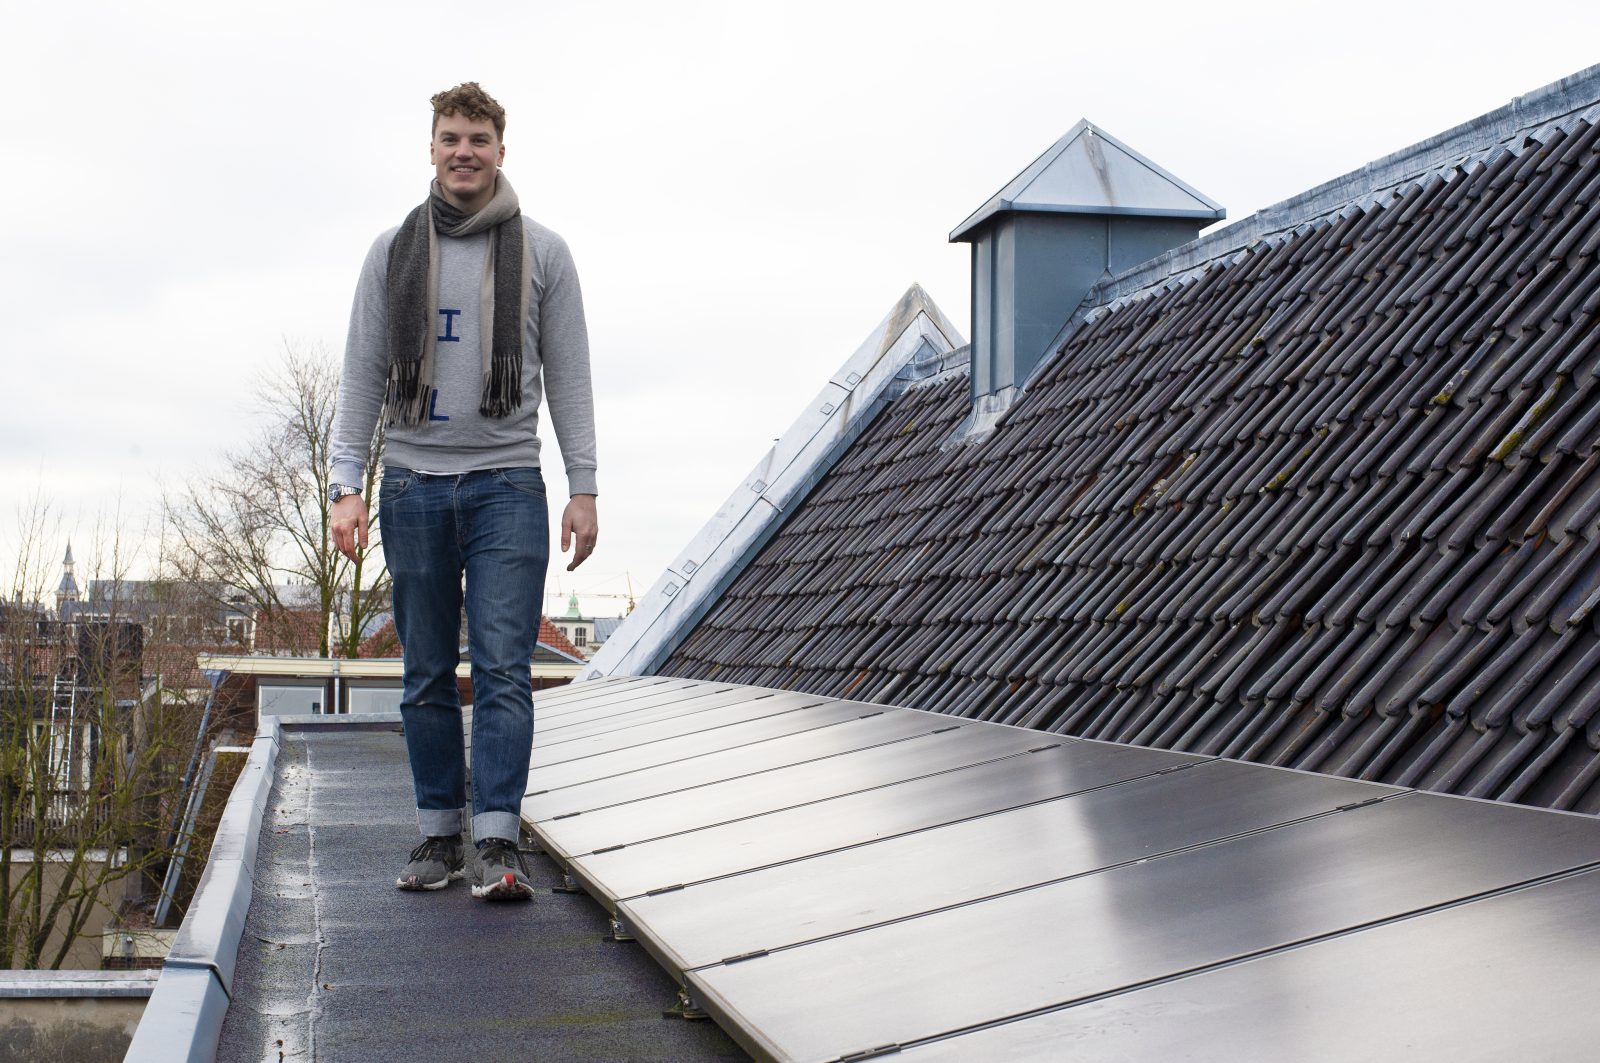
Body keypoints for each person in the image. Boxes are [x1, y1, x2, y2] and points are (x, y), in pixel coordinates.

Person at [328, 82, 598, 901]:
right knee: (425, 670)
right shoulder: (392, 252)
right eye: (451, 137)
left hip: (507, 484)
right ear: (432, 147)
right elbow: (362, 371)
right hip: (410, 483)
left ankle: (497, 841)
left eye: (479, 138)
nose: (464, 151)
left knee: (505, 668)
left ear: (501, 151)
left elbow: (570, 377)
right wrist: (347, 484)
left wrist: (583, 484)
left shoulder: (544, 253)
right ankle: (439, 833)